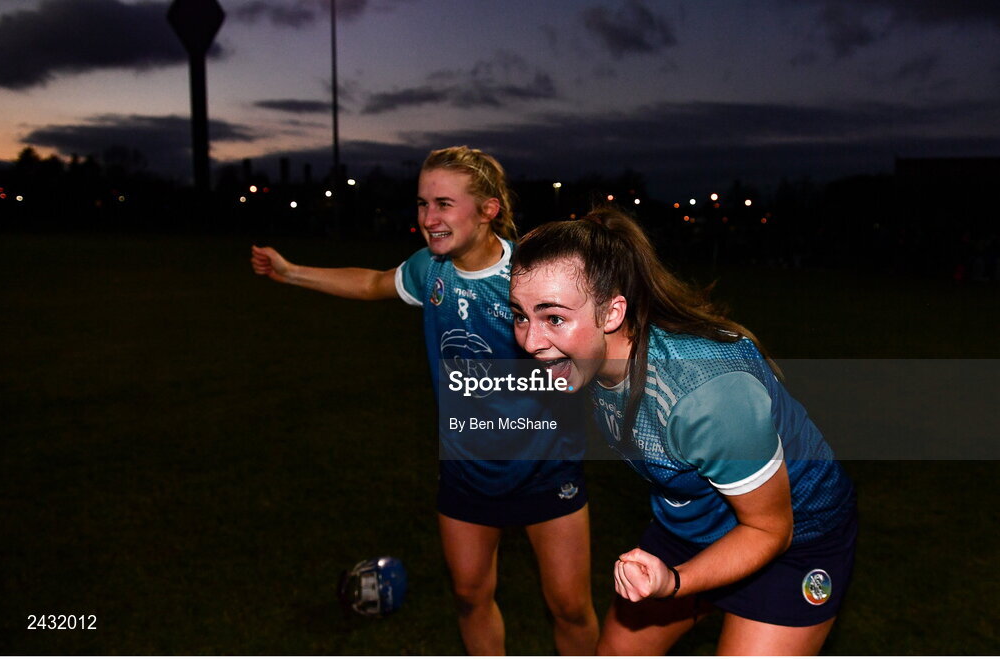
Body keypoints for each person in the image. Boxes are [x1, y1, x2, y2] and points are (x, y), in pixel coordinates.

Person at [251, 146, 598, 655]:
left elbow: (591, 356)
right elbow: (372, 283)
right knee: (468, 595)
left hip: (545, 466)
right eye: (421, 204)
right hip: (466, 467)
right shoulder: (430, 269)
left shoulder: (533, 276)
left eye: (443, 204)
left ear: (487, 210)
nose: (428, 219)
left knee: (569, 606)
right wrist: (291, 272)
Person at [508, 208, 857, 655]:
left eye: (553, 317)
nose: (530, 340)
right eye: (520, 315)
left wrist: (676, 582)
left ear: (613, 312)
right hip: (690, 522)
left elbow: (771, 529)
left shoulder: (705, 395)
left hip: (795, 541)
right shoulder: (588, 360)